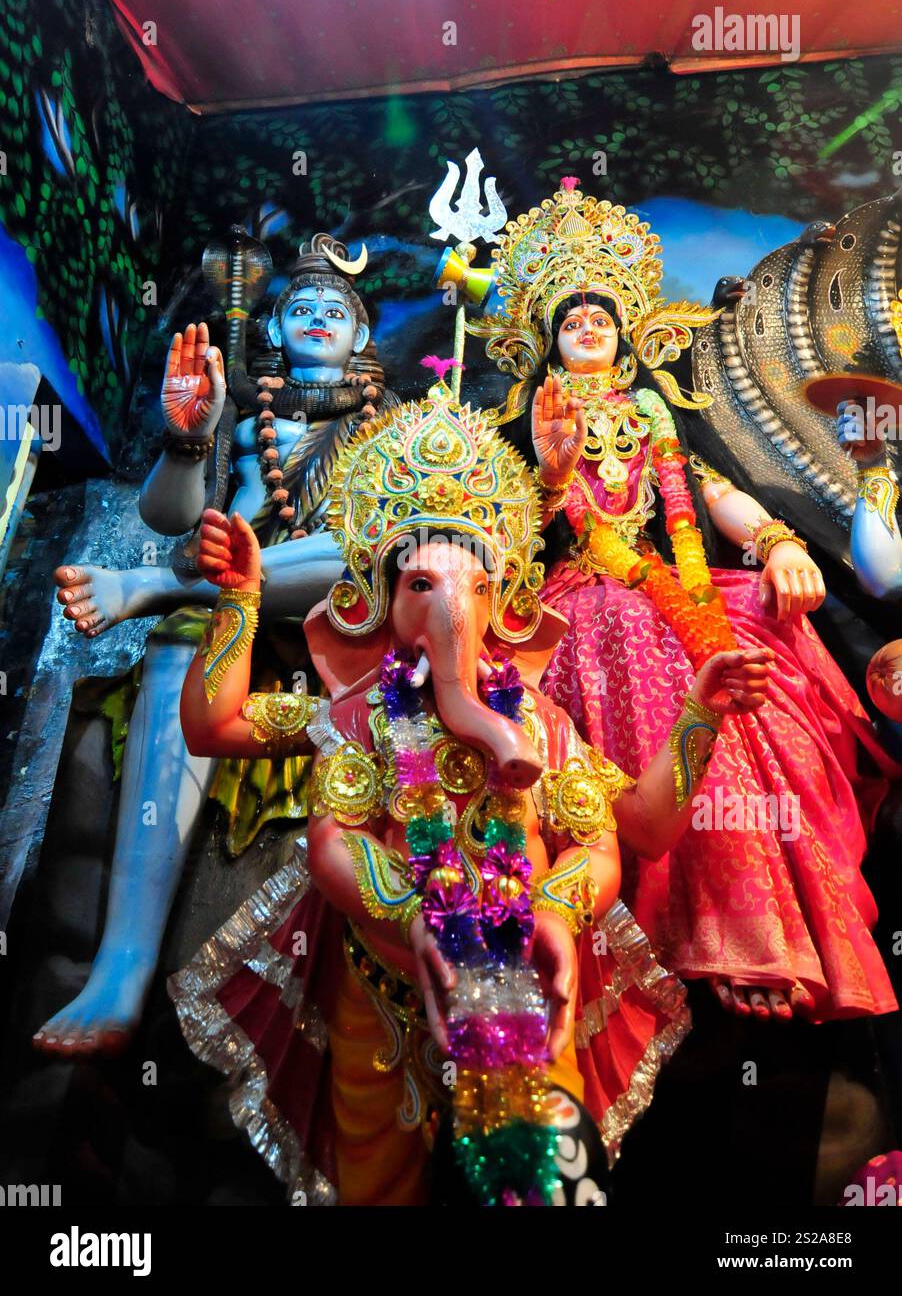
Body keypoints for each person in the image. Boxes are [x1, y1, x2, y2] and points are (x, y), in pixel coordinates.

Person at [170, 380, 771, 1204]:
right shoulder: (352, 715)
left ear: (501, 600)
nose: (451, 606)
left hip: (522, 996)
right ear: (382, 599)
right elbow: (217, 729)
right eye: (422, 585)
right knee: (379, 1186)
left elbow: (638, 829)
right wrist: (240, 600)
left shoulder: (543, 724)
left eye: (470, 587)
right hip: (378, 1000)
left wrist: (699, 716)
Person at [470, 177, 899, 1024]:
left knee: (769, 685)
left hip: (697, 588)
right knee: (642, 656)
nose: (588, 330)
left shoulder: (662, 412)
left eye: (601, 319)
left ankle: (785, 929)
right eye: (570, 322)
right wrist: (550, 477)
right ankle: (697, 930)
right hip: (583, 596)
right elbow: (510, 539)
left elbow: (707, 494)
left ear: (629, 331)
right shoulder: (525, 425)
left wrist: (775, 542)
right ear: (546, 343)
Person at [34, 236, 395, 1056]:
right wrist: (188, 437)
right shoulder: (246, 404)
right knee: (176, 649)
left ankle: (155, 592)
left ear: (362, 339)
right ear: (274, 325)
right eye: (299, 307)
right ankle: (123, 966)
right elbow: (169, 518)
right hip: (228, 600)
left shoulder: (396, 422)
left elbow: (382, 548)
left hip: (323, 600)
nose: (315, 317)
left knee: (370, 547)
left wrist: (178, 574)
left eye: (334, 311)